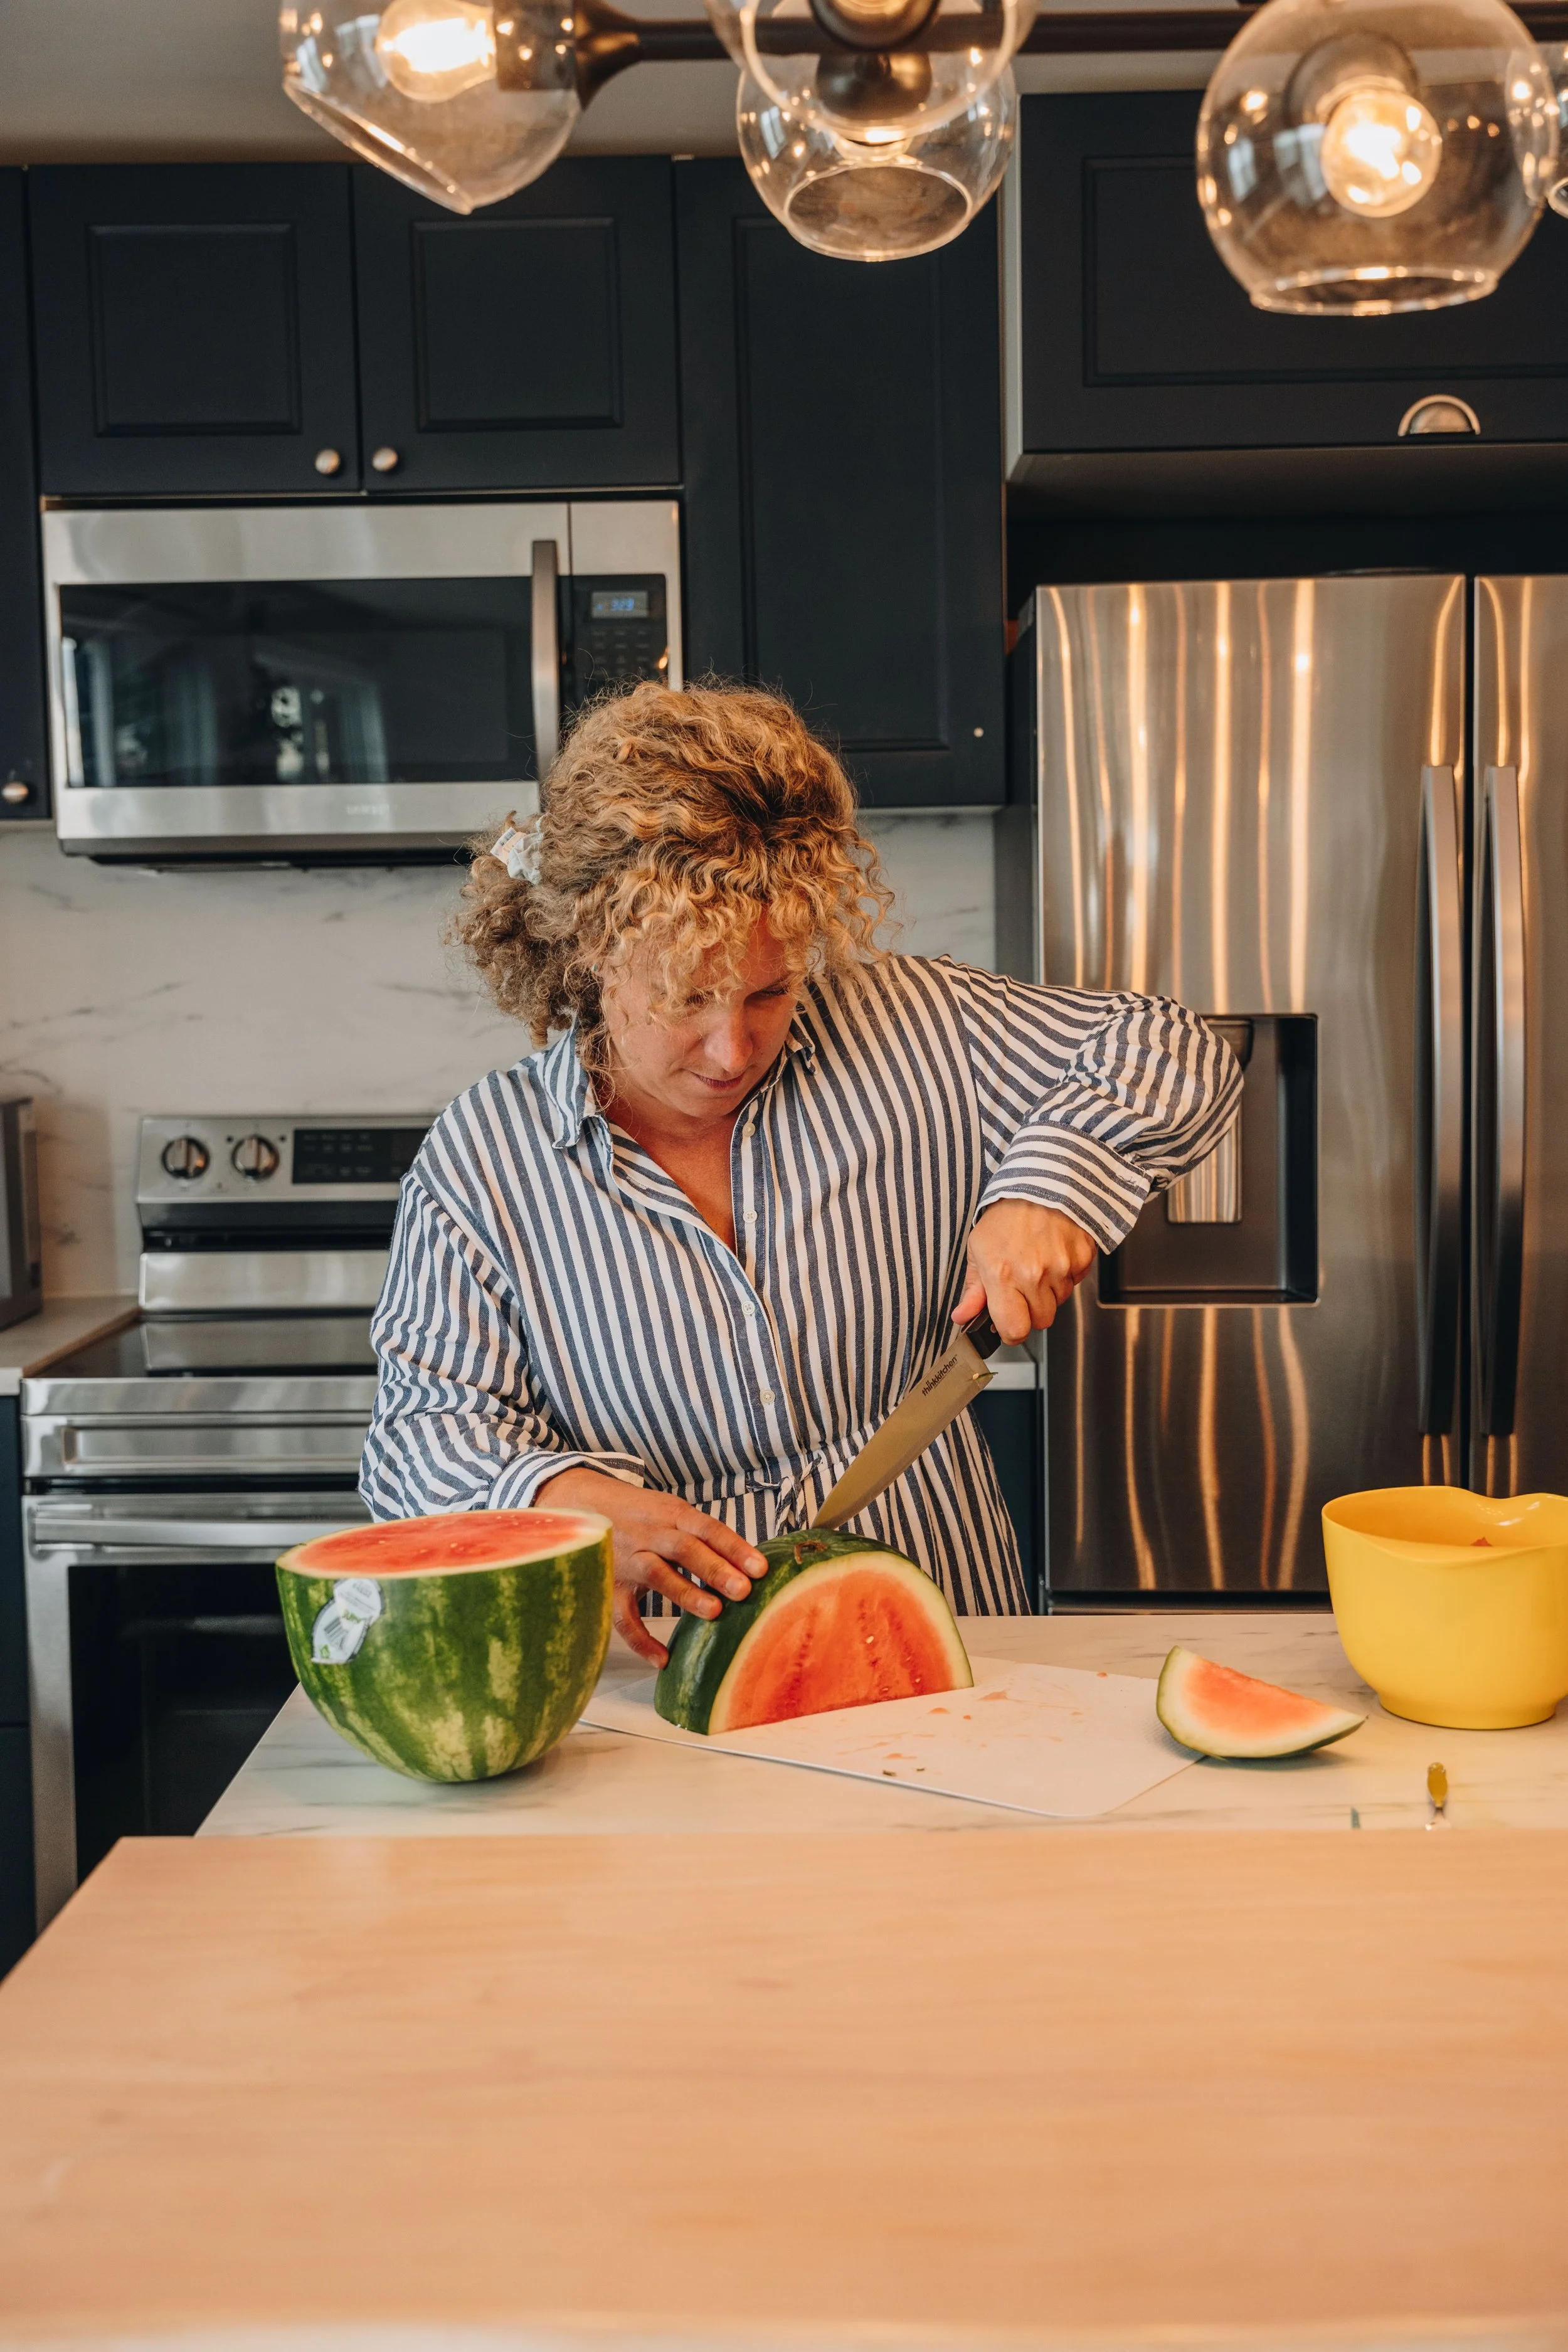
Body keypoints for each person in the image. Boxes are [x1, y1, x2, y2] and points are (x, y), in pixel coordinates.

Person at [361, 682, 1240, 1661]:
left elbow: (1171, 1047)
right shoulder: (483, 1161)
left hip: (948, 1635)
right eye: (687, 996)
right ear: (590, 951)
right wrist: (573, 1504)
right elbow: (416, 1443)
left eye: (769, 990)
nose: (732, 1048)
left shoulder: (913, 1027)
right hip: (658, 1677)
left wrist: (1051, 1185)